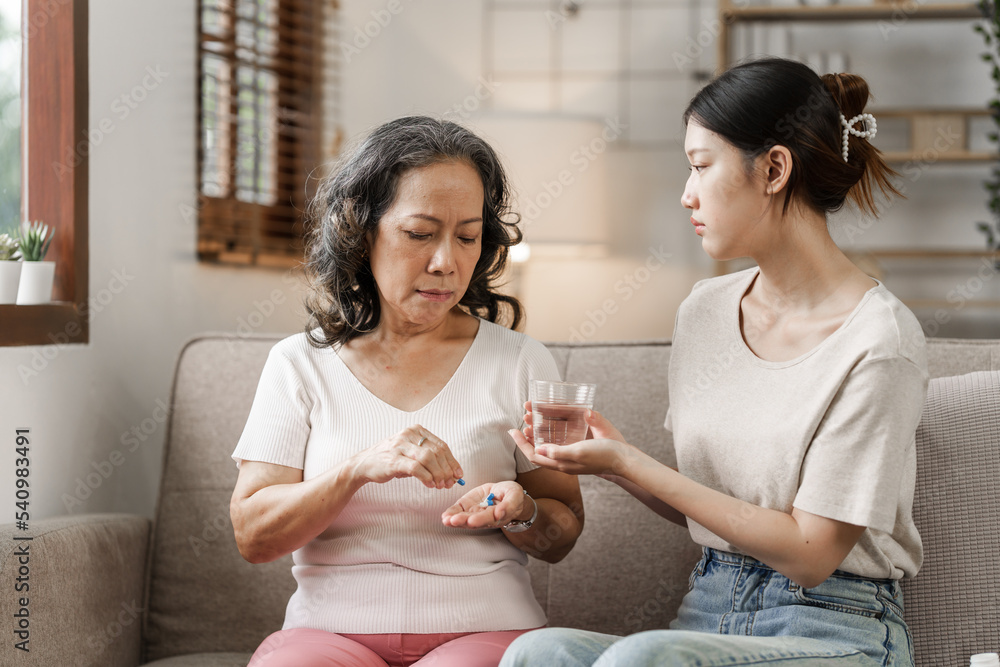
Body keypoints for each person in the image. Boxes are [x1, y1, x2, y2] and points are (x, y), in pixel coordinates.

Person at [500, 57, 928, 667]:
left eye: (701, 166)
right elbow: (716, 507)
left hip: (835, 626)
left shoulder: (879, 342)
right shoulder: (705, 311)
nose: (685, 194)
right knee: (539, 652)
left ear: (774, 168)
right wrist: (615, 463)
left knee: (640, 660)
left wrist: (629, 461)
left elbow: (811, 552)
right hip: (709, 610)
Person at [230, 116, 584, 667]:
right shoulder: (296, 365)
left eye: (467, 237)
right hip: (327, 635)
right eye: (420, 234)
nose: (447, 262)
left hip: (483, 631)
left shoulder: (525, 360)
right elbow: (253, 536)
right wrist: (356, 469)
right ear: (361, 230)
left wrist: (521, 511)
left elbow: (563, 533)